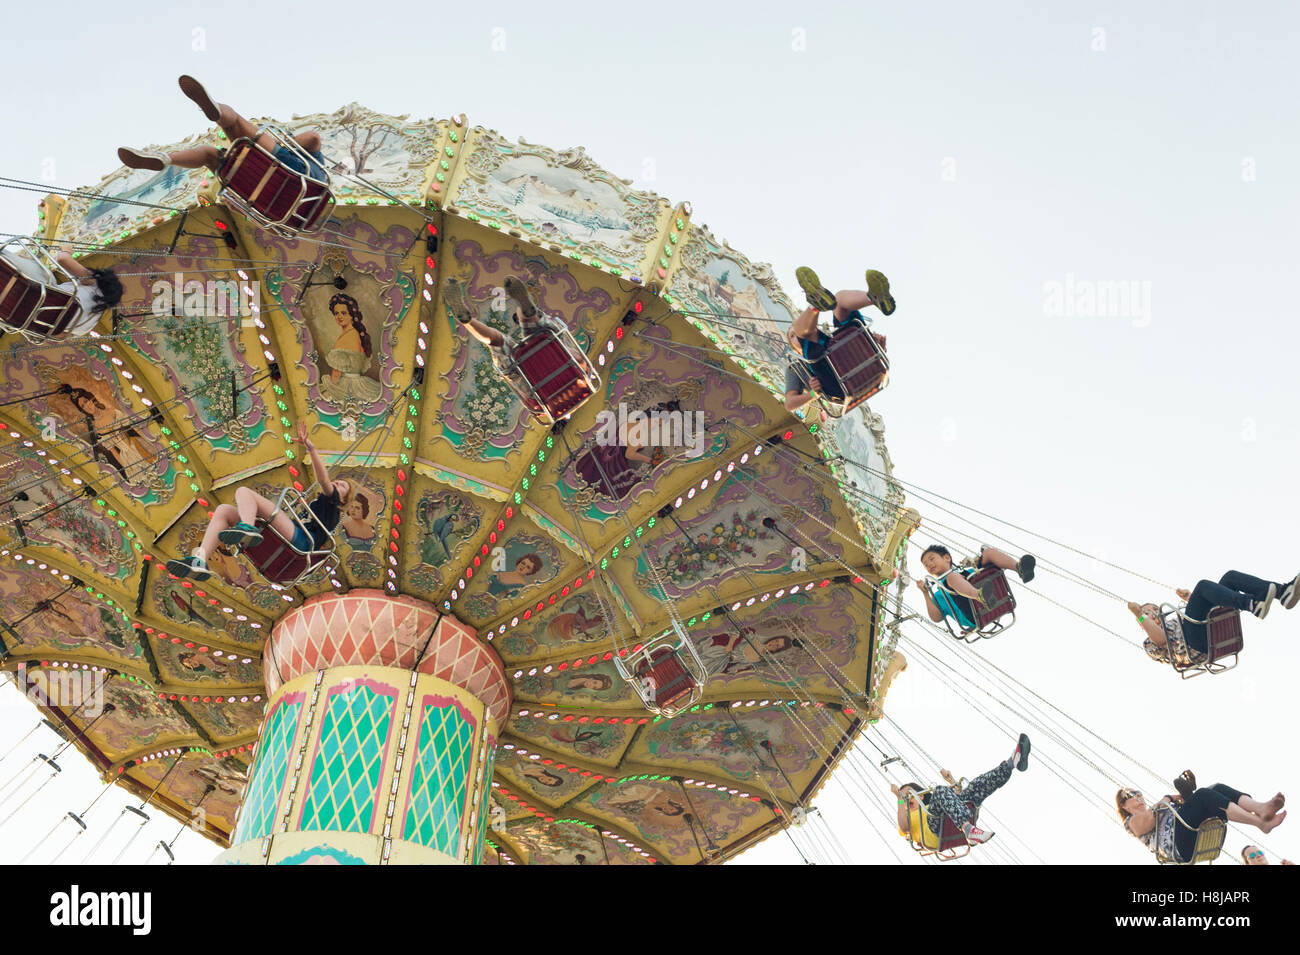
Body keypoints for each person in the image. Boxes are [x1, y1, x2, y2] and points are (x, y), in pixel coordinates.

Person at [165, 420, 353, 581]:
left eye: (342, 486)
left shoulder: (333, 507)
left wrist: (311, 449)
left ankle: (247, 528)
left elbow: (323, 480)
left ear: (343, 499)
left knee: (244, 492)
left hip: (302, 541)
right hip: (293, 538)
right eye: (338, 481)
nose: (337, 483)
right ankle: (200, 559)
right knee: (223, 510)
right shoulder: (321, 504)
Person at [117, 75, 327, 182]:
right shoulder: (321, 172)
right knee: (215, 151)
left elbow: (313, 137)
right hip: (274, 191)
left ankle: (168, 158)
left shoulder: (319, 177)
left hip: (283, 179)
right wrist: (280, 145)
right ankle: (167, 157)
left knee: (229, 127)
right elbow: (313, 139)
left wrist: (277, 146)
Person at [444, 276, 596, 402]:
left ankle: (469, 319)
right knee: (499, 340)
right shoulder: (578, 387)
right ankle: (469, 321)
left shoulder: (582, 385)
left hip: (540, 375)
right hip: (548, 375)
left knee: (540, 335)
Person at [1127, 569, 1300, 669]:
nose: (1156, 613)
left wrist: (1190, 599)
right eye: (1150, 612)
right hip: (1193, 647)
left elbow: (1201, 617)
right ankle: (1251, 604)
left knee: (1229, 578)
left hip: (1204, 631)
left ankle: (1283, 592)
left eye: (1156, 609)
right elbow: (1162, 639)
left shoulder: (1174, 621)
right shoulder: (1149, 643)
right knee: (1202, 585)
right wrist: (1140, 616)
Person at [783, 266, 894, 413]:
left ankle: (873, 298)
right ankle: (816, 303)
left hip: (858, 363)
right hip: (837, 386)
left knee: (839, 301)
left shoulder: (831, 342)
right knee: (809, 343)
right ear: (793, 348)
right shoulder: (796, 367)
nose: (795, 335)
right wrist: (812, 393)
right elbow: (789, 404)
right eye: (792, 337)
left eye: (794, 333)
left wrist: (876, 346)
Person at [891, 733, 1031, 848]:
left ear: (920, 796)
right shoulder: (908, 816)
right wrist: (899, 799)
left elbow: (956, 798)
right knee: (940, 791)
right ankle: (968, 829)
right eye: (905, 797)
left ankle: (1012, 763)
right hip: (934, 831)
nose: (907, 799)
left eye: (908, 794)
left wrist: (951, 781)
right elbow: (904, 827)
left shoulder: (931, 805)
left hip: (952, 820)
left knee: (974, 787)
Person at [1117, 773, 1286, 864]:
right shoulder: (1131, 822)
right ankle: (1260, 823)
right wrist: (1168, 797)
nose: (1137, 796)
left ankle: (1260, 809)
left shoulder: (1162, 808)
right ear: (1124, 806)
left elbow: (1185, 806)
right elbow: (1148, 821)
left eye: (1138, 792)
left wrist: (1185, 794)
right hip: (1178, 845)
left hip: (1190, 829)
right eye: (1131, 795)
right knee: (1203, 795)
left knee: (1216, 788)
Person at [0, 245, 122, 338]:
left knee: (46, 275)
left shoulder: (96, 285)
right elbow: (56, 335)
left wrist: (67, 250)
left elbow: (63, 259)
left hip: (33, 291)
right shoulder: (87, 326)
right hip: (18, 315)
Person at [916, 543, 1036, 631]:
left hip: (994, 598)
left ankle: (1019, 568)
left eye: (932, 559)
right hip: (973, 614)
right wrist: (925, 593)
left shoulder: (967, 571)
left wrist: (976, 562)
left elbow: (982, 566)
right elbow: (936, 617)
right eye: (926, 565)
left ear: (947, 558)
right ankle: (980, 596)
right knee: (951, 578)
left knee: (988, 553)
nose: (929, 564)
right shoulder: (939, 592)